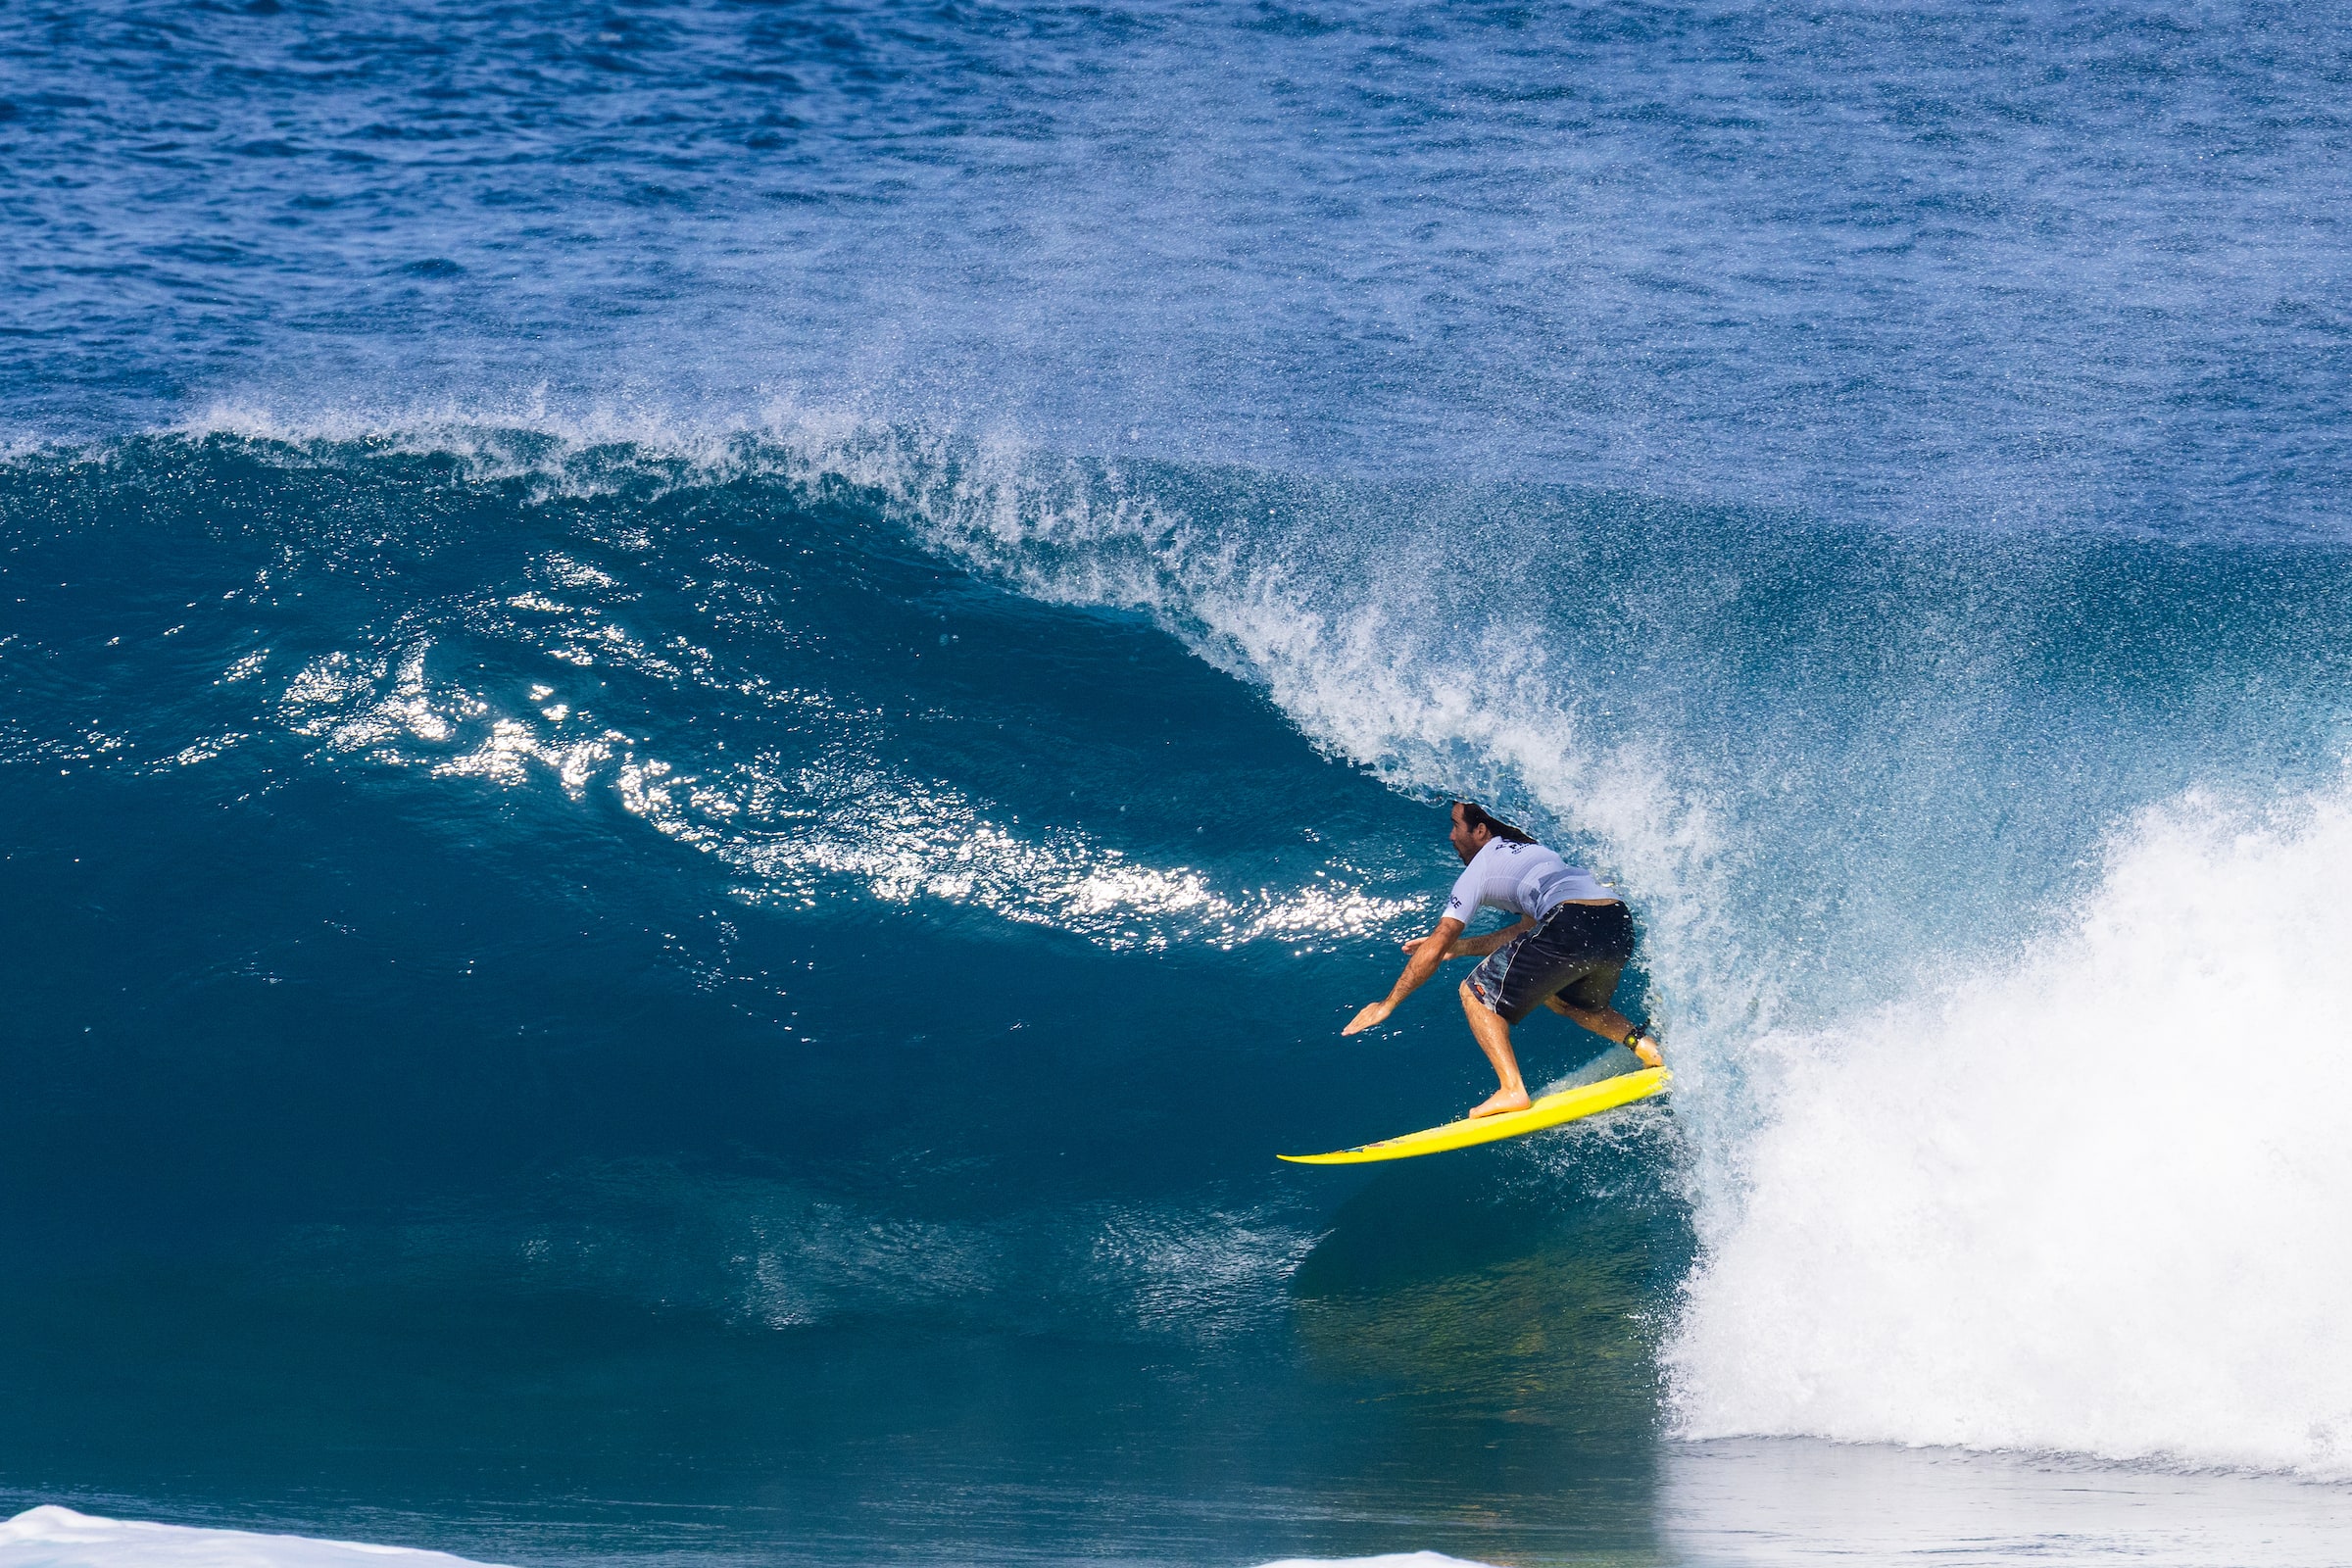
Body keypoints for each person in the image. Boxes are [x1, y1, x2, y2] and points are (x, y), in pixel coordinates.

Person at [1344, 802, 1665, 1118]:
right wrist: (1462, 948)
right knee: (1570, 1003)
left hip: (1571, 919)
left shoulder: (1480, 868)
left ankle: (1512, 1089)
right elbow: (1530, 930)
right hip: (1616, 923)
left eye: (1456, 826)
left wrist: (1387, 1003)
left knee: (1476, 993)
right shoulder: (1534, 852)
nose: (1451, 837)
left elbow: (1440, 937)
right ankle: (1647, 1048)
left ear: (1481, 830)